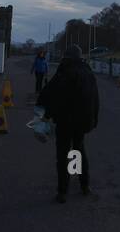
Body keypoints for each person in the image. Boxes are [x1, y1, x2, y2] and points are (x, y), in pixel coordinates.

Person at [38, 44, 100, 203]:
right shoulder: (88, 72)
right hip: (83, 121)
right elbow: (95, 98)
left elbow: (55, 96)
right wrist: (94, 119)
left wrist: (46, 116)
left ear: (67, 57)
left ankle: (63, 191)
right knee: (79, 150)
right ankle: (84, 186)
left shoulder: (65, 72)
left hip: (66, 120)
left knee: (63, 154)